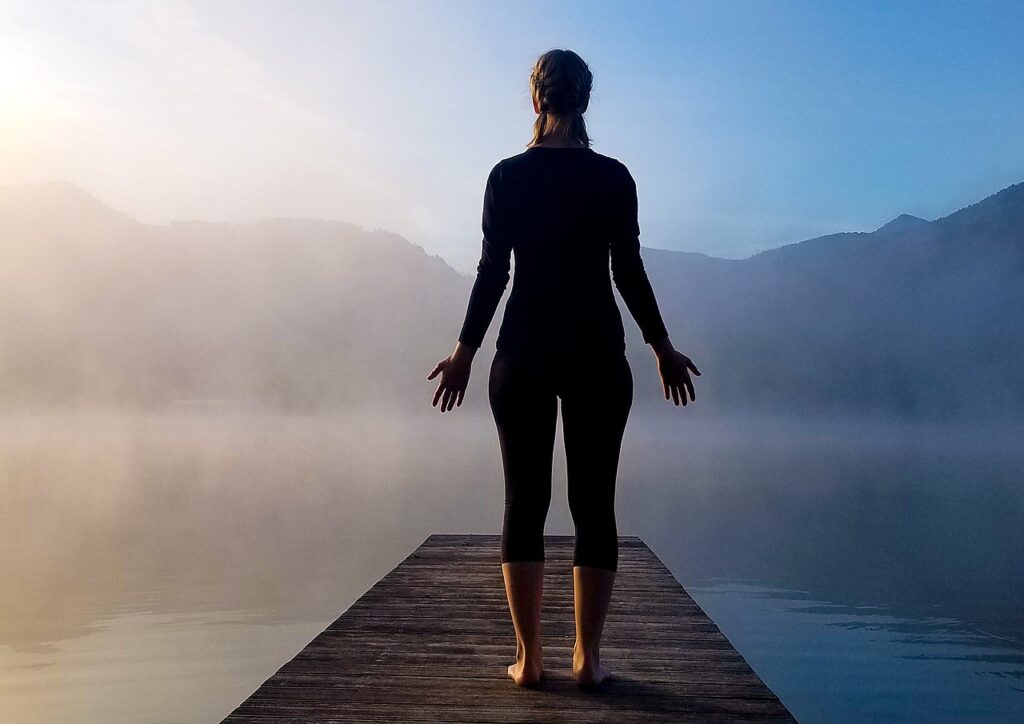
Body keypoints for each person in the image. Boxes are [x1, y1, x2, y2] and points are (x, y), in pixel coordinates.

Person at [426, 48, 701, 689]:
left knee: (524, 503)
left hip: (522, 352)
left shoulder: (506, 177)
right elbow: (627, 270)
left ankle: (529, 660)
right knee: (594, 504)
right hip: (597, 354)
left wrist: (464, 352)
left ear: (535, 99)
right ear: (586, 101)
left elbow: (493, 272)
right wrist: (661, 346)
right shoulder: (614, 178)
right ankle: (588, 659)